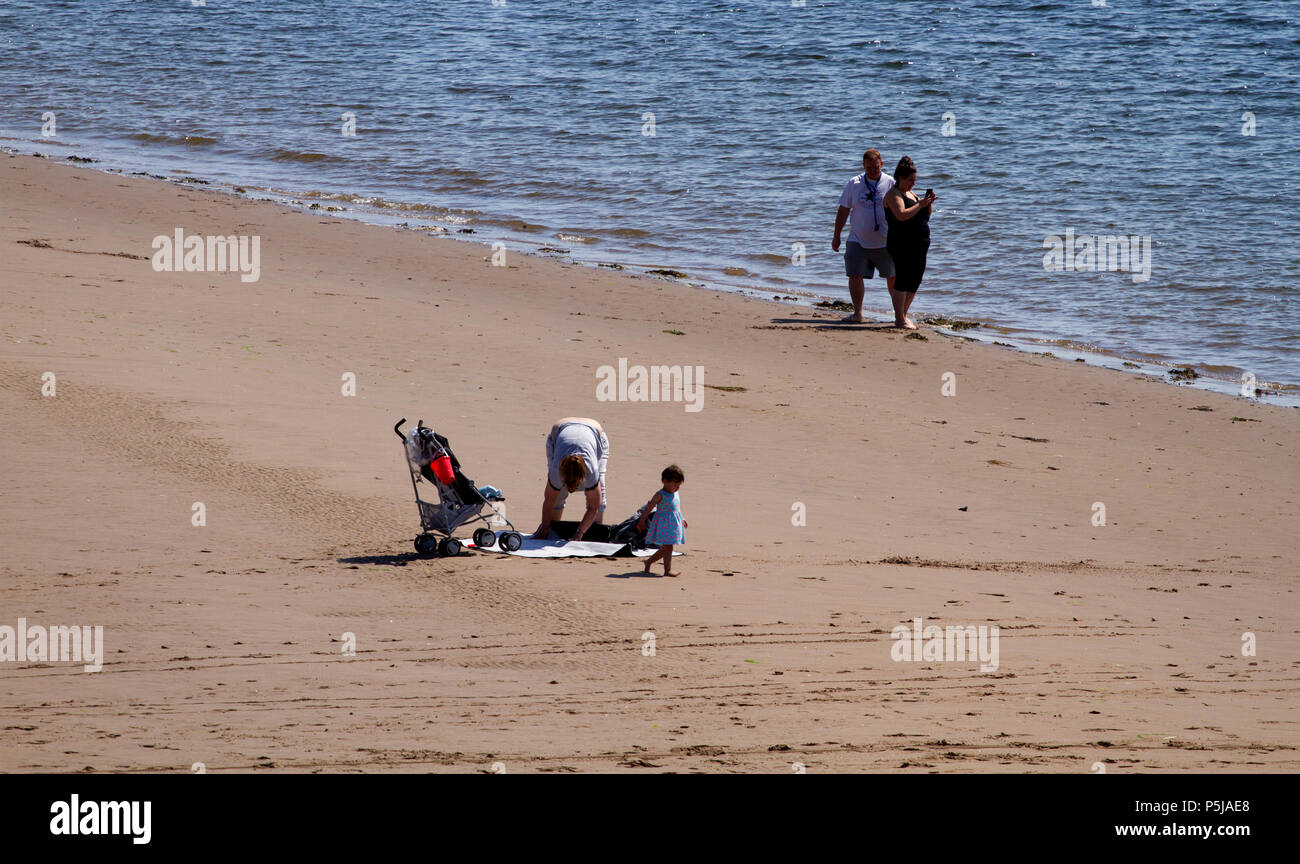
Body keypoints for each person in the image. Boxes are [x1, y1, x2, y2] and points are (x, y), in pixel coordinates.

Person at [832, 149, 895, 323]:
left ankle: (899, 315)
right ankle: (858, 313)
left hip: (885, 241)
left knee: (893, 276)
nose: (873, 171)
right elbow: (843, 210)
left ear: (881, 164)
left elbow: (901, 208)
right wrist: (836, 236)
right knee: (854, 275)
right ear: (863, 166)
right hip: (857, 239)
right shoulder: (854, 183)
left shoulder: (890, 182)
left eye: (875, 167)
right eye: (869, 168)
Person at [531, 417, 609, 541]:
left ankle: (595, 535)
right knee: (558, 496)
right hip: (559, 433)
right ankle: (553, 532)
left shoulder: (591, 471)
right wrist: (545, 528)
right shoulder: (557, 471)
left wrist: (579, 533)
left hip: (596, 435)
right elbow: (549, 501)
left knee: (600, 498)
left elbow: (593, 506)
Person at [883, 156, 936, 329]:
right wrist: (920, 205)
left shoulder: (911, 193)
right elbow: (901, 215)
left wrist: (928, 203)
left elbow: (925, 216)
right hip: (901, 243)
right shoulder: (893, 194)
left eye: (915, 180)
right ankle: (899, 319)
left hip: (920, 244)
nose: (913, 183)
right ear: (901, 178)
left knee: (915, 280)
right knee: (903, 280)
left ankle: (903, 316)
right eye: (911, 180)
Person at [637, 465, 687, 577]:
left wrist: (682, 519)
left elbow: (676, 508)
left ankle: (649, 562)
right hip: (664, 524)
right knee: (669, 547)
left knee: (666, 548)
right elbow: (650, 507)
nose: (677, 488)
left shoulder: (675, 493)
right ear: (665, 481)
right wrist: (642, 520)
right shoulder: (660, 495)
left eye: (679, 486)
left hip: (673, 524)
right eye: (675, 485)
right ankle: (667, 570)